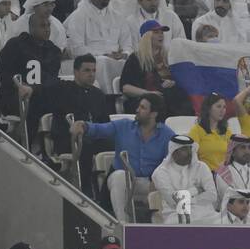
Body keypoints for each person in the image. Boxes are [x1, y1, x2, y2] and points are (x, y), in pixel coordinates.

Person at [72, 94, 176, 223]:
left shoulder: (167, 135)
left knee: (171, 185)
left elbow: (173, 162)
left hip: (150, 183)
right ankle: (123, 225)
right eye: (139, 106)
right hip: (124, 180)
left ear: (154, 114)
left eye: (143, 107)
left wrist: (159, 179)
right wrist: (84, 125)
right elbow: (99, 129)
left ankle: (163, 230)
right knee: (119, 176)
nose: (137, 109)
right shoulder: (124, 125)